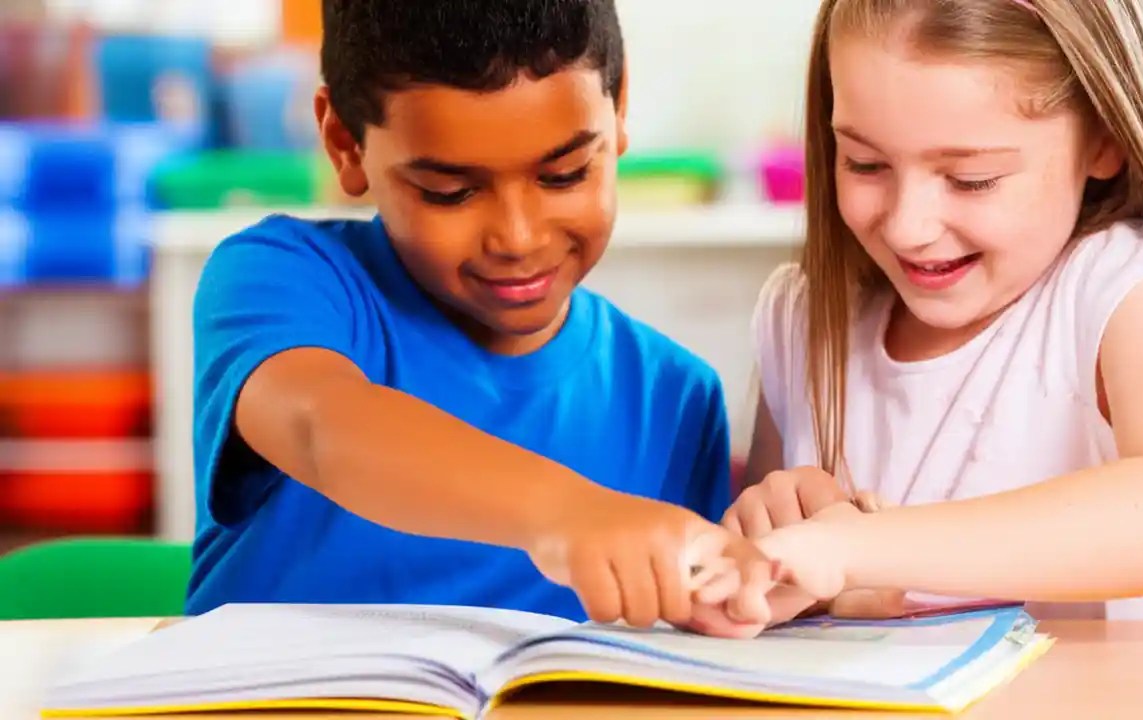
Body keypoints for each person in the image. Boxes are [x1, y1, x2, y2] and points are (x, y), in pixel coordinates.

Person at [186, 0, 773, 632]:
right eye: (450, 193)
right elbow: (320, 425)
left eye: (566, 174)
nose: (517, 238)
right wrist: (565, 512)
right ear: (344, 143)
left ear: (619, 106)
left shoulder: (673, 398)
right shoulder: (281, 278)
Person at [717, 0, 1143, 626]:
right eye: (865, 164)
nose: (909, 226)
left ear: (1104, 141)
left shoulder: (1126, 292)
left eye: (972, 178)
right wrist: (778, 562)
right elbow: (776, 596)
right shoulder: (801, 324)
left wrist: (864, 549)